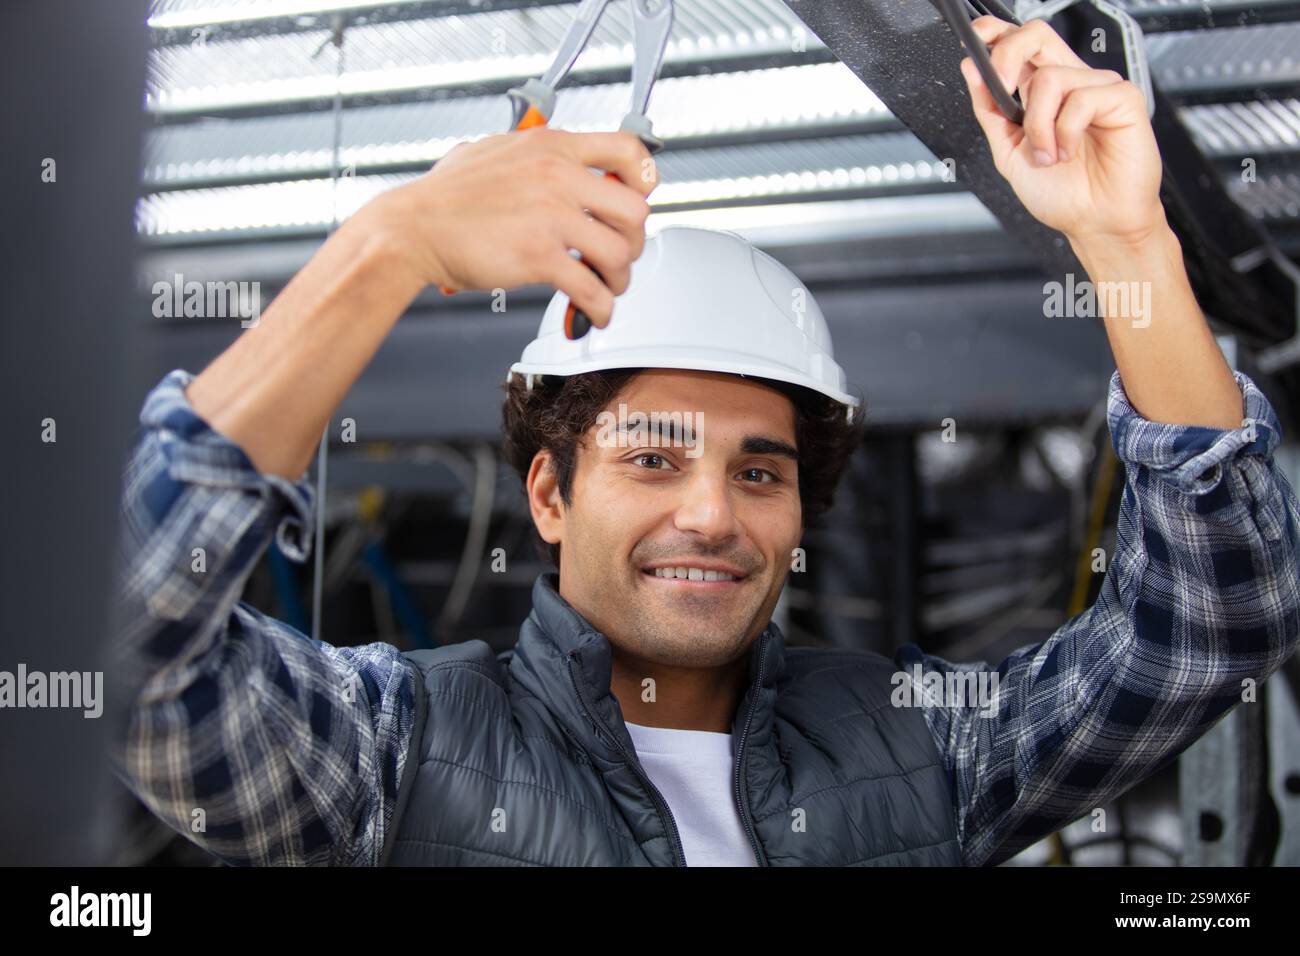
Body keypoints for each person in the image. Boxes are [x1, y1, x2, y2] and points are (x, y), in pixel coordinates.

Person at [110, 17, 1300, 865]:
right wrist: (390, 247)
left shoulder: (923, 748)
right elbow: (124, 648)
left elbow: (1212, 622)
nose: (712, 513)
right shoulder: (390, 758)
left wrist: (1130, 243)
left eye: (760, 470)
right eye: (651, 456)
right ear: (548, 491)